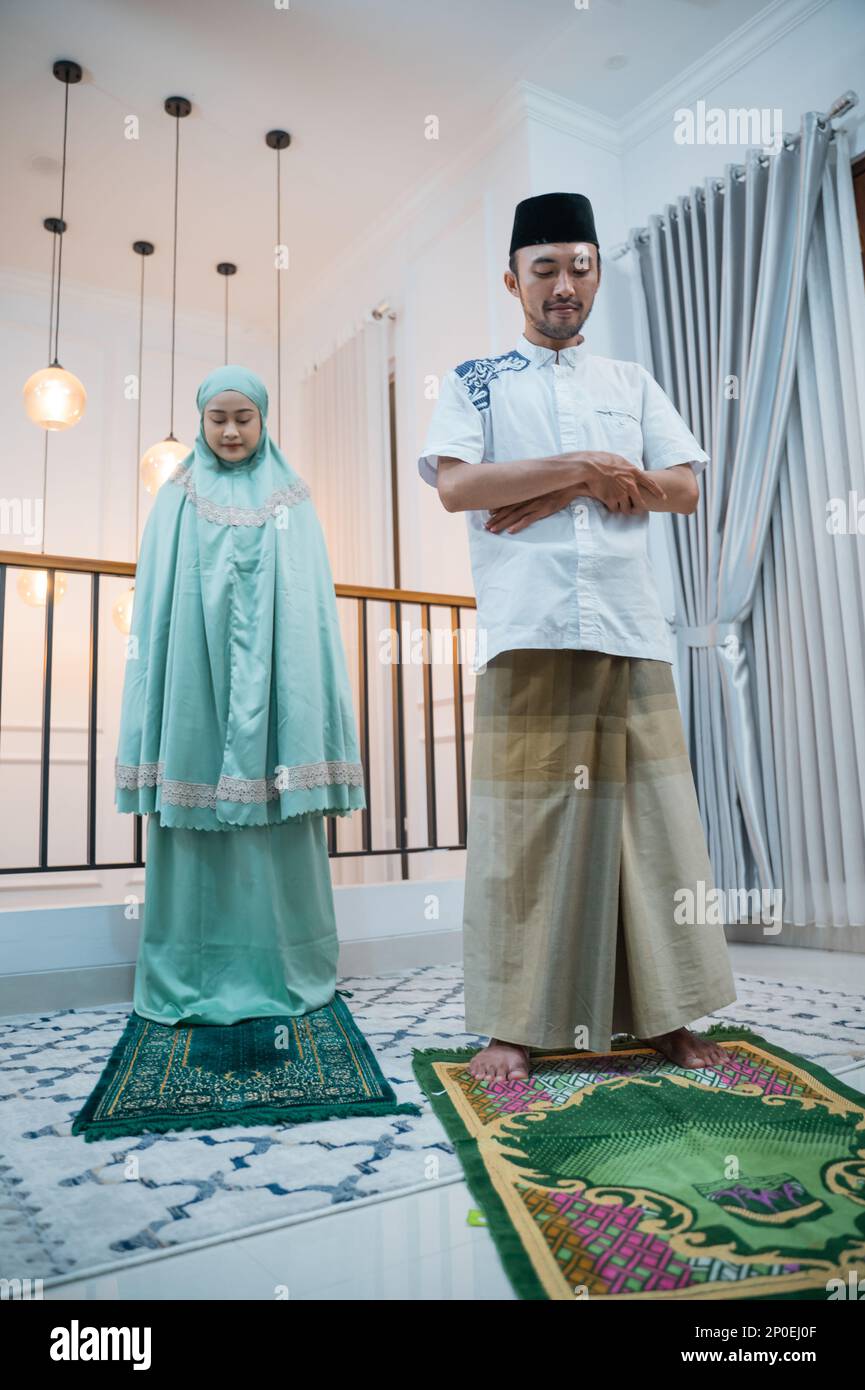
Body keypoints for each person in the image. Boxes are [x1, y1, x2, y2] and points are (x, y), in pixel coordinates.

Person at [417, 191, 737, 1082]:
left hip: (631, 627)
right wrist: (585, 469)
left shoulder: (631, 383)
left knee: (653, 824)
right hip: (530, 627)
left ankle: (670, 1017)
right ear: (513, 277)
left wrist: (563, 489)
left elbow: (683, 489)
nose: (564, 284)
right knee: (527, 829)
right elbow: (457, 488)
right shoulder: (475, 380)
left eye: (580, 267)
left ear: (596, 273)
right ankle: (512, 1028)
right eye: (546, 268)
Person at [115, 365, 366, 1025]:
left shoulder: (293, 498)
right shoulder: (174, 498)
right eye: (218, 418)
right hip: (195, 687)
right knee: (195, 830)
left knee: (277, 825)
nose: (230, 430)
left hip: (278, 694)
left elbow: (307, 612)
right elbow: (161, 608)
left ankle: (286, 970)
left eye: (243, 417)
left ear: (263, 420)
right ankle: (191, 977)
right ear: (200, 422)